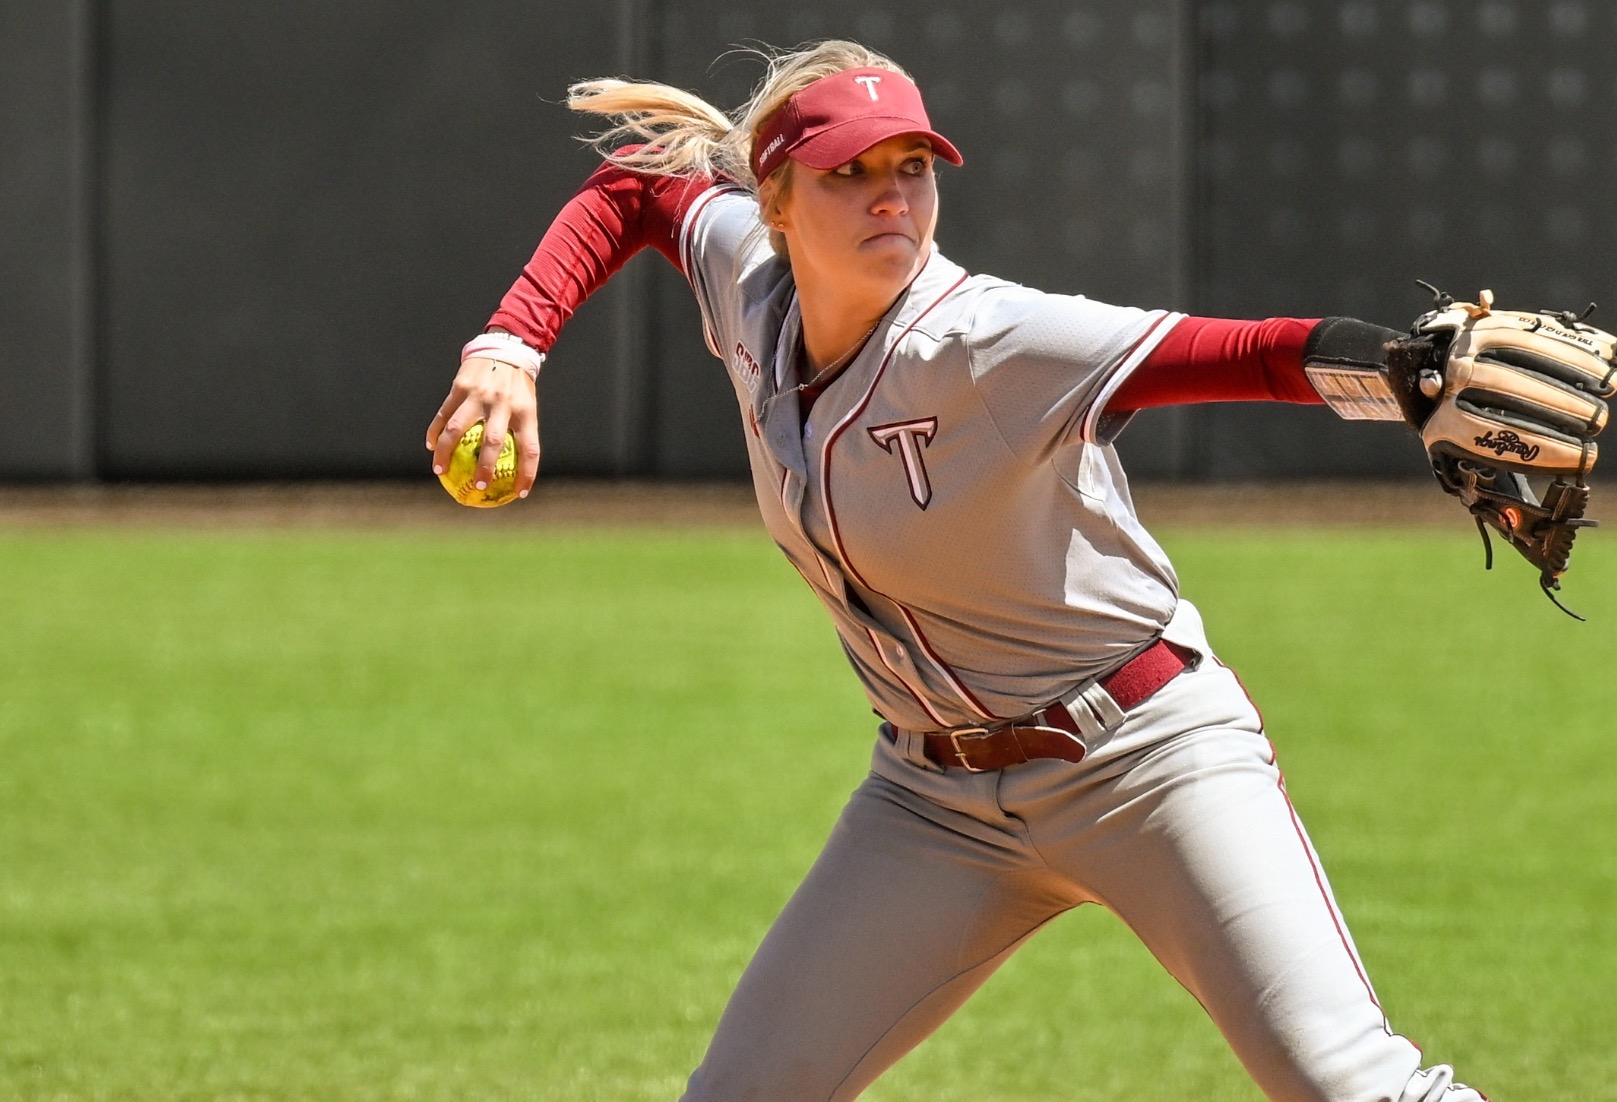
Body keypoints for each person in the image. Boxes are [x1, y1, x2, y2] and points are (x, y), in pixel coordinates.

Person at [428, 40, 1490, 1102]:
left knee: (1351, 1086)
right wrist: (508, 346)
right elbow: (636, 184)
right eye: (850, 171)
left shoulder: (990, 341)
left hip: (1148, 765)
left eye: (912, 166)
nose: (890, 196)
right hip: (931, 805)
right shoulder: (749, 270)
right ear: (778, 199)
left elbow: (1248, 352)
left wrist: (1403, 373)